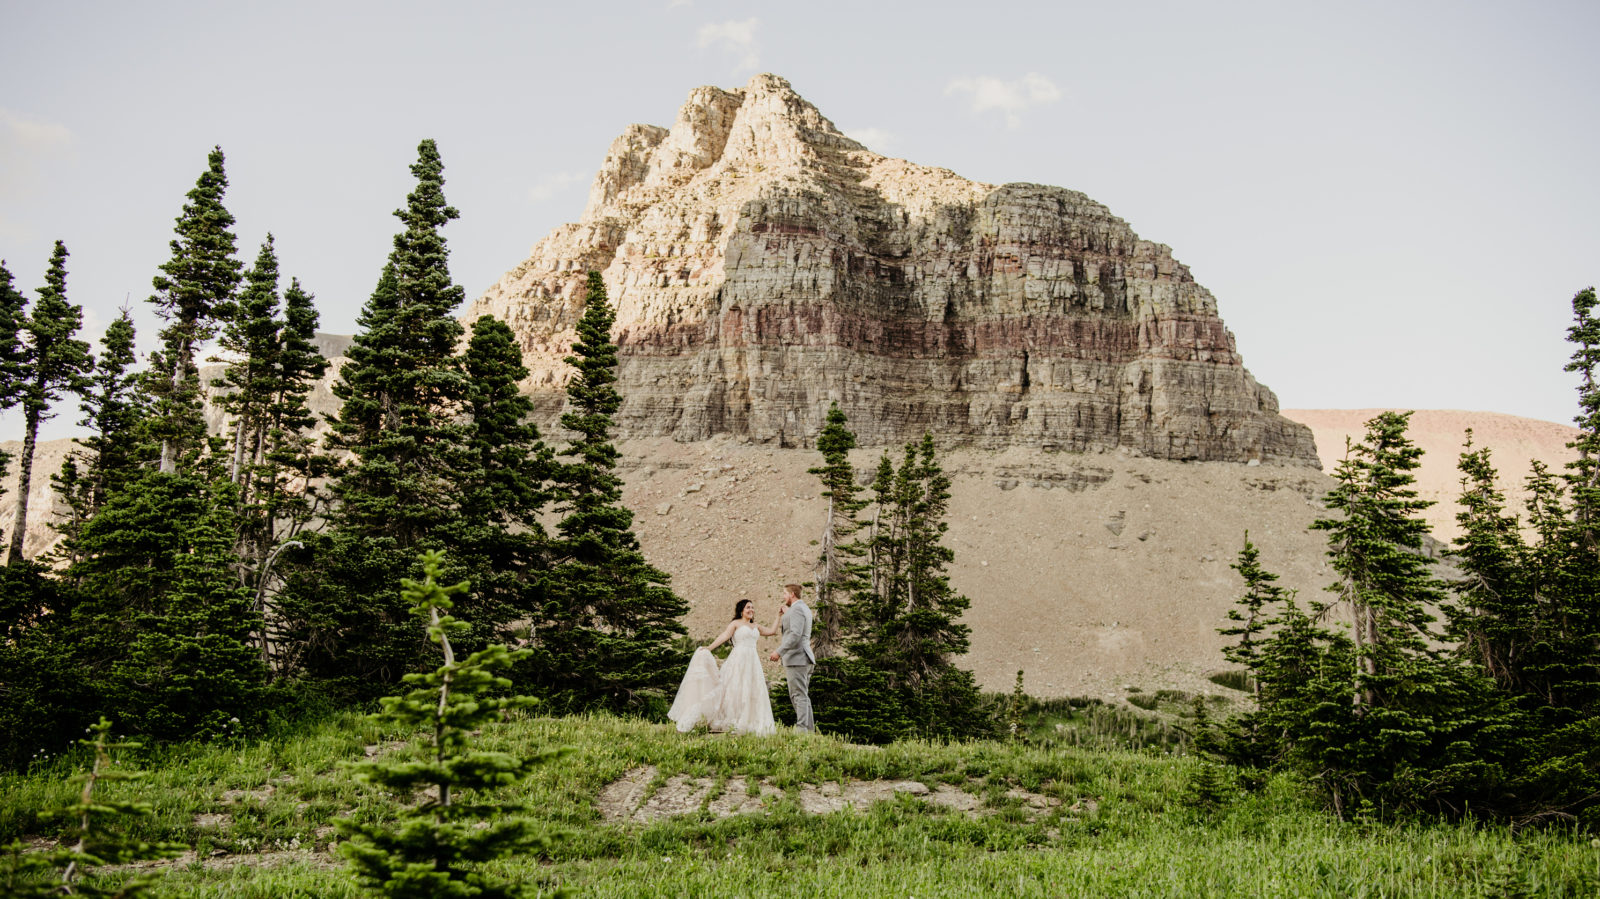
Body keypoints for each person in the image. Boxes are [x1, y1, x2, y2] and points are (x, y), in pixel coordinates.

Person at [668, 598, 777, 735]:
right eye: (748, 607)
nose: (751, 610)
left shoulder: (756, 626)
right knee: (730, 689)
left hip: (752, 662)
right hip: (738, 660)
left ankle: (745, 721)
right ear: (741, 610)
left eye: (752, 608)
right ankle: (727, 719)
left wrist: (779, 616)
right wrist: (710, 647)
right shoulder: (735, 623)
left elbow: (772, 631)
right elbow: (725, 635)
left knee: (750, 690)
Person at [769, 583, 815, 733]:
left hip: (797, 658)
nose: (783, 597)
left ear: (792, 594)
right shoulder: (802, 609)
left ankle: (801, 729)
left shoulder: (797, 610)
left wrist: (779, 651)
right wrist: (788, 613)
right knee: (803, 695)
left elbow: (795, 634)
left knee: (798, 695)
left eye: (784, 594)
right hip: (804, 658)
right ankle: (809, 729)